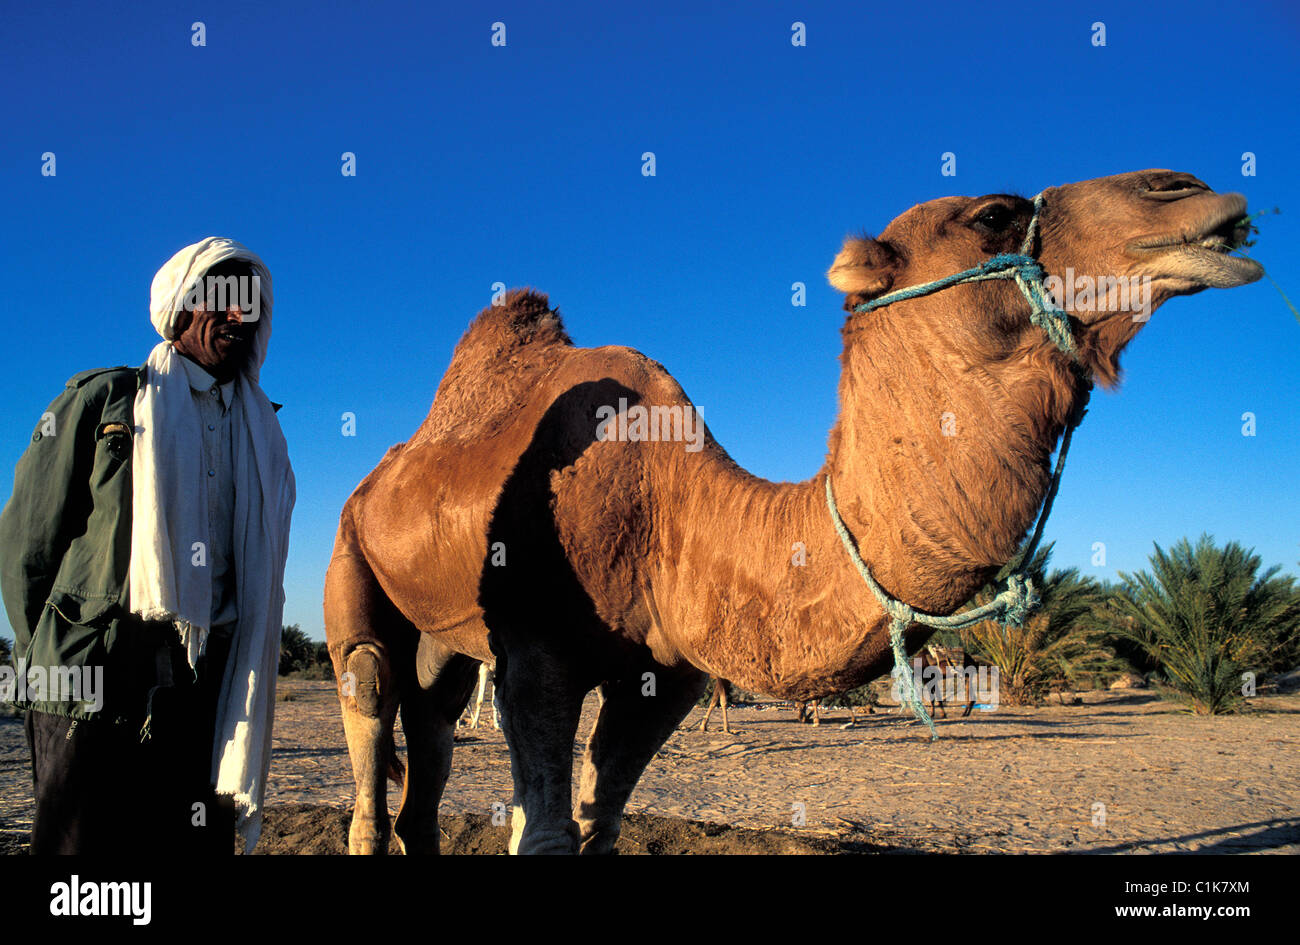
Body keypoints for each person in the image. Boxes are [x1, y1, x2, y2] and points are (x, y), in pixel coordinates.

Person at [0, 238, 295, 854]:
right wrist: (55, 657)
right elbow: (27, 544)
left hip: (206, 687)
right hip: (91, 682)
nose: (239, 317)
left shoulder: (262, 430)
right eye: (224, 299)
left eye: (252, 304)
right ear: (183, 305)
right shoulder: (107, 400)